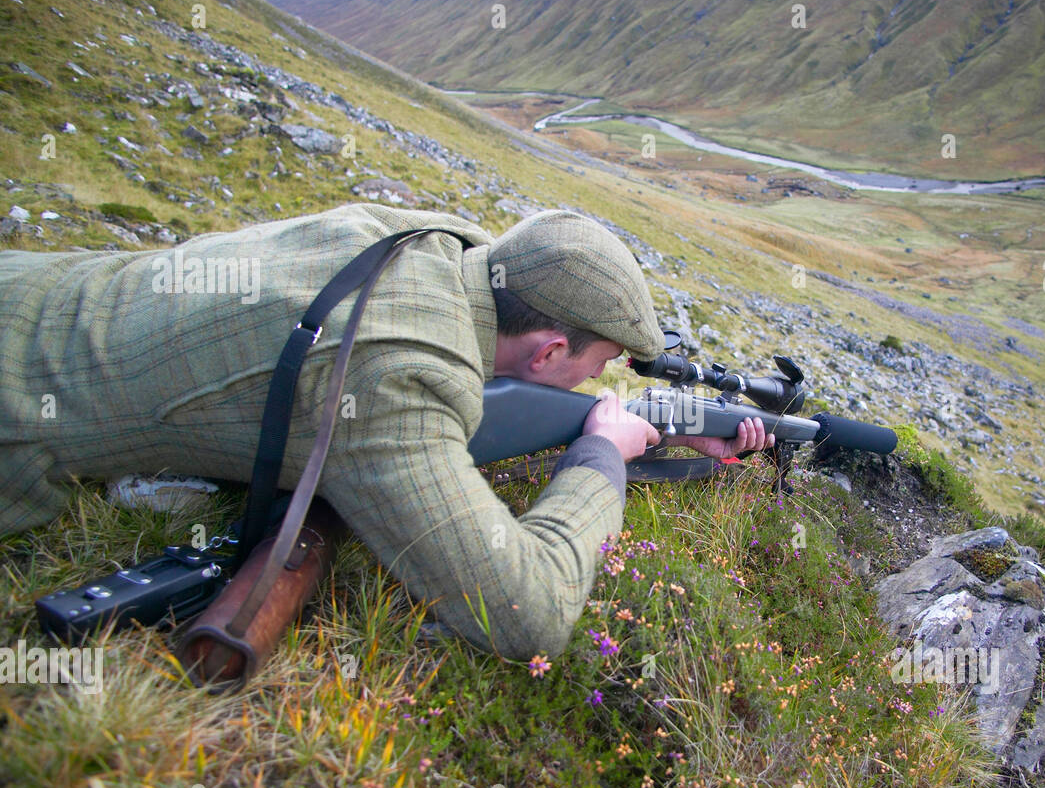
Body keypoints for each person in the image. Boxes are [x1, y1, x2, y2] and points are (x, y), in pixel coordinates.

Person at [0, 203, 770, 659]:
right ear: (549, 351)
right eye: (593, 368)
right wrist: (601, 453)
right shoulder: (397, 379)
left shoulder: (425, 240)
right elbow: (526, 615)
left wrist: (664, 425)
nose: (595, 384)